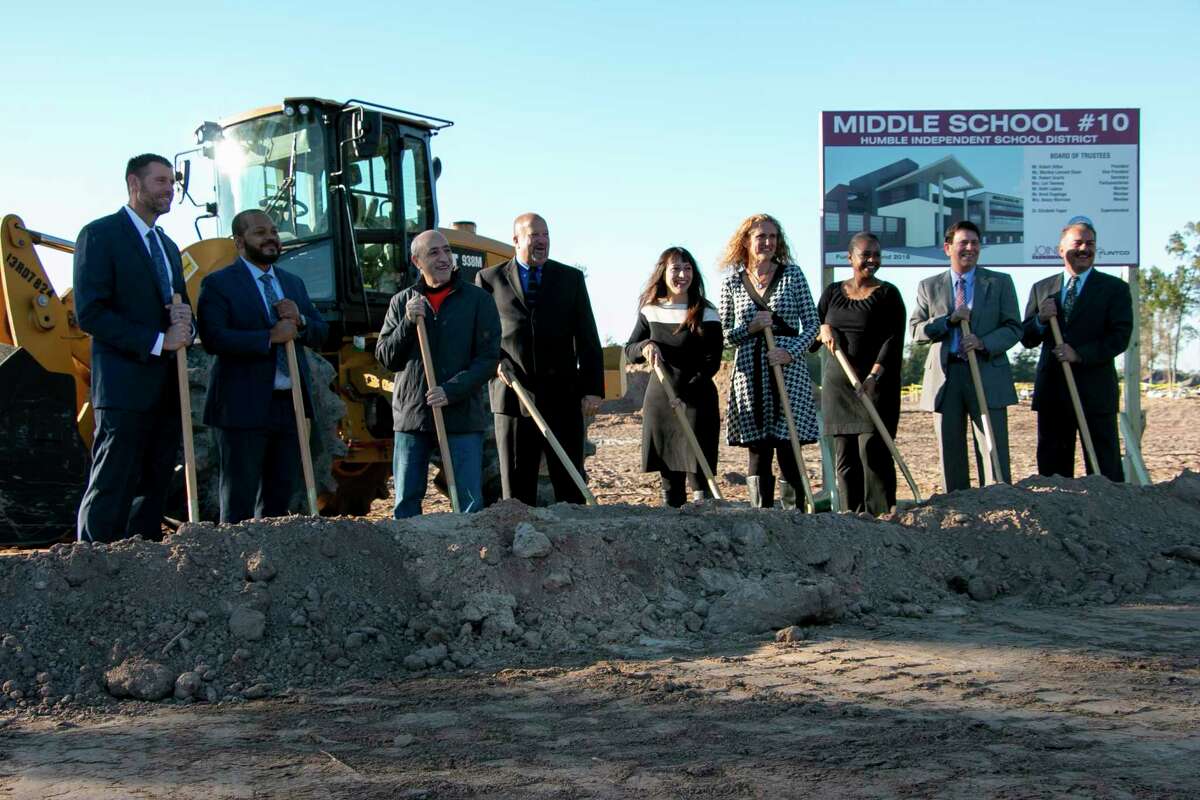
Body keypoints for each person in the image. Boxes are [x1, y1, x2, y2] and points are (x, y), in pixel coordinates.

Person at [73, 154, 194, 543]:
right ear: (134, 184)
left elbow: (182, 308)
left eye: (171, 182)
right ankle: (91, 561)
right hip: (124, 385)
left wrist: (186, 327)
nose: (169, 189)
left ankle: (141, 565)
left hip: (165, 389)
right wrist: (159, 342)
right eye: (160, 181)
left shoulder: (170, 248)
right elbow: (90, 312)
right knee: (113, 478)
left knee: (154, 479)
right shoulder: (100, 235)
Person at [197, 209, 328, 524]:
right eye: (259, 232)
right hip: (242, 405)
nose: (270, 237)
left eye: (273, 230)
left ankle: (268, 565)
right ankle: (235, 564)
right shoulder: (219, 284)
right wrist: (269, 337)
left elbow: (322, 332)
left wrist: (302, 319)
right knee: (239, 498)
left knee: (278, 499)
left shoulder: (293, 283)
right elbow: (213, 337)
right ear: (239, 241)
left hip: (288, 405)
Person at [475, 213, 604, 506]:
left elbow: (587, 337)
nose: (542, 241)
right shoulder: (489, 279)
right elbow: (481, 336)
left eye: (545, 235)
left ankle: (575, 545)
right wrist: (495, 362)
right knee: (517, 492)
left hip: (562, 397)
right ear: (517, 240)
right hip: (513, 397)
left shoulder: (570, 279)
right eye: (534, 235)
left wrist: (593, 387)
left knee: (570, 488)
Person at [375, 229, 501, 516]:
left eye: (446, 250)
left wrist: (451, 390)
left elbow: (487, 358)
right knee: (406, 503)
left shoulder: (478, 300)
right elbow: (387, 359)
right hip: (413, 416)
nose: (444, 258)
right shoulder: (401, 302)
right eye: (434, 253)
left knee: (469, 504)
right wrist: (407, 323)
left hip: (461, 415)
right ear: (416, 261)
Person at [910, 220, 1021, 492]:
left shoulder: (999, 283)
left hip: (986, 373)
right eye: (963, 243)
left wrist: (984, 342)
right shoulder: (929, 286)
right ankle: (958, 511)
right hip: (947, 377)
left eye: (974, 243)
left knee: (992, 448)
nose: (970, 248)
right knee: (951, 450)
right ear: (948, 248)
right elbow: (916, 330)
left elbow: (1014, 328)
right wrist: (948, 320)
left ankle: (998, 502)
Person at [719, 213, 819, 509]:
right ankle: (760, 515)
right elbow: (724, 336)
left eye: (772, 237)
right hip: (750, 370)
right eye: (760, 237)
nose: (767, 242)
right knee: (758, 448)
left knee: (788, 446)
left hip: (787, 368)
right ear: (746, 242)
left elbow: (812, 324)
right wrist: (749, 328)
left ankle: (794, 514)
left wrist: (790, 352)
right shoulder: (732, 284)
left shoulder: (793, 275)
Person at [1021, 217, 1132, 481]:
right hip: (1053, 394)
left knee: (1105, 468)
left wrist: (1079, 354)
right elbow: (1026, 338)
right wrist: (1040, 321)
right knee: (1054, 471)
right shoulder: (1042, 289)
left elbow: (1119, 337)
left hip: (1095, 392)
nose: (1084, 249)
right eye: (1078, 243)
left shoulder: (1114, 289)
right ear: (1061, 250)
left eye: (1090, 244)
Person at [813, 232, 906, 514]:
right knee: (845, 458)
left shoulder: (888, 294)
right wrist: (822, 330)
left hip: (874, 388)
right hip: (838, 388)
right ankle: (848, 519)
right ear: (850, 257)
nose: (872, 260)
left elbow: (893, 341)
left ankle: (880, 517)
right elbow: (812, 336)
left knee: (873, 454)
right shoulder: (831, 293)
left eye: (877, 255)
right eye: (866, 255)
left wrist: (873, 377)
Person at [624, 247, 723, 507]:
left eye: (687, 268)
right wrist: (645, 346)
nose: (682, 274)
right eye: (675, 269)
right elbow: (629, 351)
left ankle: (707, 524)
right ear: (664, 273)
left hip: (696, 399)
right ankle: (673, 523)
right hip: (662, 399)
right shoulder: (650, 311)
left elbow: (711, 361)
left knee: (699, 470)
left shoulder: (707, 312)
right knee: (670, 471)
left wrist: (685, 395)